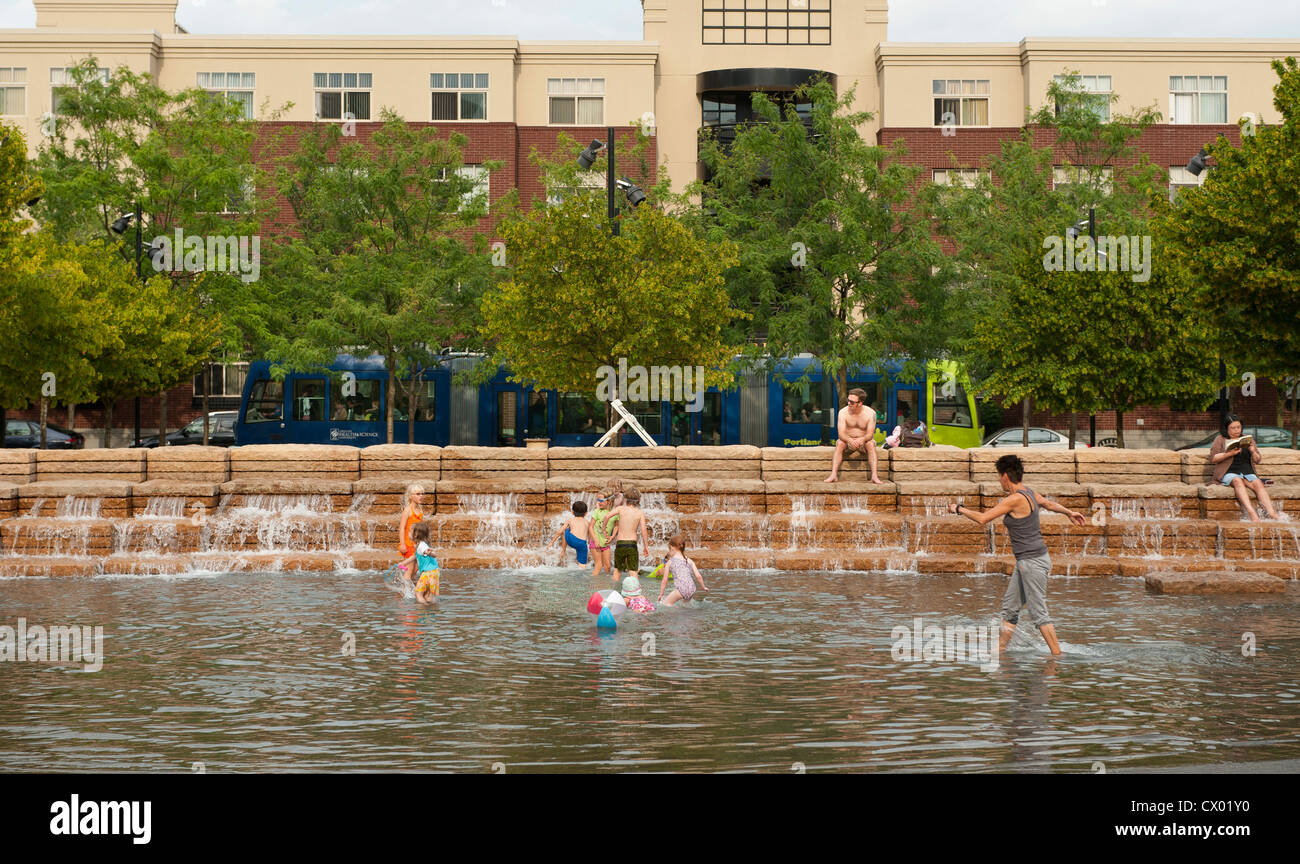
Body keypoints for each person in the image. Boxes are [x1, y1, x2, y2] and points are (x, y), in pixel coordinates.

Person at [947, 453, 1086, 657]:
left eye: (998, 476)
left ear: (1005, 476)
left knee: (1038, 613)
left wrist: (959, 509)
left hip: (1032, 563)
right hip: (1028, 562)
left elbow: (983, 518)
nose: (998, 480)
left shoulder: (1013, 499)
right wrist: (1069, 512)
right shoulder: (1029, 492)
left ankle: (1057, 657)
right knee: (1010, 609)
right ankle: (1000, 651)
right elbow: (1048, 504)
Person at [1209, 414, 1280, 521]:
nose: (1236, 430)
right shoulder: (1220, 439)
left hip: (1247, 471)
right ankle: (1252, 513)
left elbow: (1257, 460)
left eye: (1238, 427)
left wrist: (1252, 451)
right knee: (1237, 481)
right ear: (1226, 428)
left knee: (1258, 483)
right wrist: (1229, 454)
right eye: (1233, 428)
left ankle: (1271, 513)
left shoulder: (1247, 438)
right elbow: (1213, 458)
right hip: (1229, 471)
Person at [825, 387, 883, 484]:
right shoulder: (843, 412)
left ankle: (874, 476)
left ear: (860, 403)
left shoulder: (870, 413)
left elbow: (870, 434)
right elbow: (841, 433)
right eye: (848, 400)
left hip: (863, 444)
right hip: (848, 443)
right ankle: (833, 475)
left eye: (852, 402)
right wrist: (850, 440)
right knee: (839, 443)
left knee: (871, 444)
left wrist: (862, 439)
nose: (848, 403)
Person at [610, 487, 650, 586]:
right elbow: (644, 530)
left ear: (625, 499)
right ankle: (636, 595)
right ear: (639, 500)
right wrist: (646, 546)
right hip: (632, 544)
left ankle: (613, 594)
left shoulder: (620, 509)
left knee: (617, 571)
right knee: (633, 571)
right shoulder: (640, 513)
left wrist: (605, 531)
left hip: (620, 543)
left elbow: (607, 516)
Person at [657, 533, 708, 607]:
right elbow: (698, 576)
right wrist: (703, 587)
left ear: (671, 547)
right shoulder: (689, 560)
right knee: (685, 606)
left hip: (681, 590)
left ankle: (676, 611)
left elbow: (665, 580)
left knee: (666, 604)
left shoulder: (670, 562)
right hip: (692, 589)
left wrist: (661, 594)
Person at [396, 521, 440, 604]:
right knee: (427, 596)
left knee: (418, 594)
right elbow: (414, 556)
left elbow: (433, 554)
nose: (408, 533)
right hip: (434, 572)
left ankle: (423, 610)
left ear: (415, 535)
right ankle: (431, 611)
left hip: (428, 573)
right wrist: (403, 563)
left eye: (409, 531)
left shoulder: (422, 546)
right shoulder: (420, 545)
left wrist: (430, 553)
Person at [549, 500, 594, 566]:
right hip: (582, 543)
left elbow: (559, 531)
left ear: (572, 512)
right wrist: (590, 546)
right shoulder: (587, 522)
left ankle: (563, 551)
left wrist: (552, 542)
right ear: (586, 513)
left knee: (566, 530)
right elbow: (590, 537)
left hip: (571, 540)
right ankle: (581, 565)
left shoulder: (570, 520)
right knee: (582, 564)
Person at [397, 483, 425, 582]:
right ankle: (404, 592)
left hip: (417, 544)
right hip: (408, 544)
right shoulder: (407, 510)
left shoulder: (419, 509)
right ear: (410, 496)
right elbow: (402, 528)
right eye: (418, 494)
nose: (421, 496)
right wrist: (402, 544)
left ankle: (408, 589)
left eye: (422, 494)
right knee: (409, 570)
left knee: (416, 568)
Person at [589, 490, 618, 579]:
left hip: (605, 543)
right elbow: (590, 527)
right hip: (595, 542)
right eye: (598, 500)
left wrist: (612, 536)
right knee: (598, 565)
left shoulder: (614, 513)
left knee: (608, 566)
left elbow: (617, 525)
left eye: (601, 500)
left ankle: (605, 584)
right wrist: (595, 539)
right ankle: (593, 586)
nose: (599, 502)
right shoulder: (597, 512)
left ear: (608, 501)